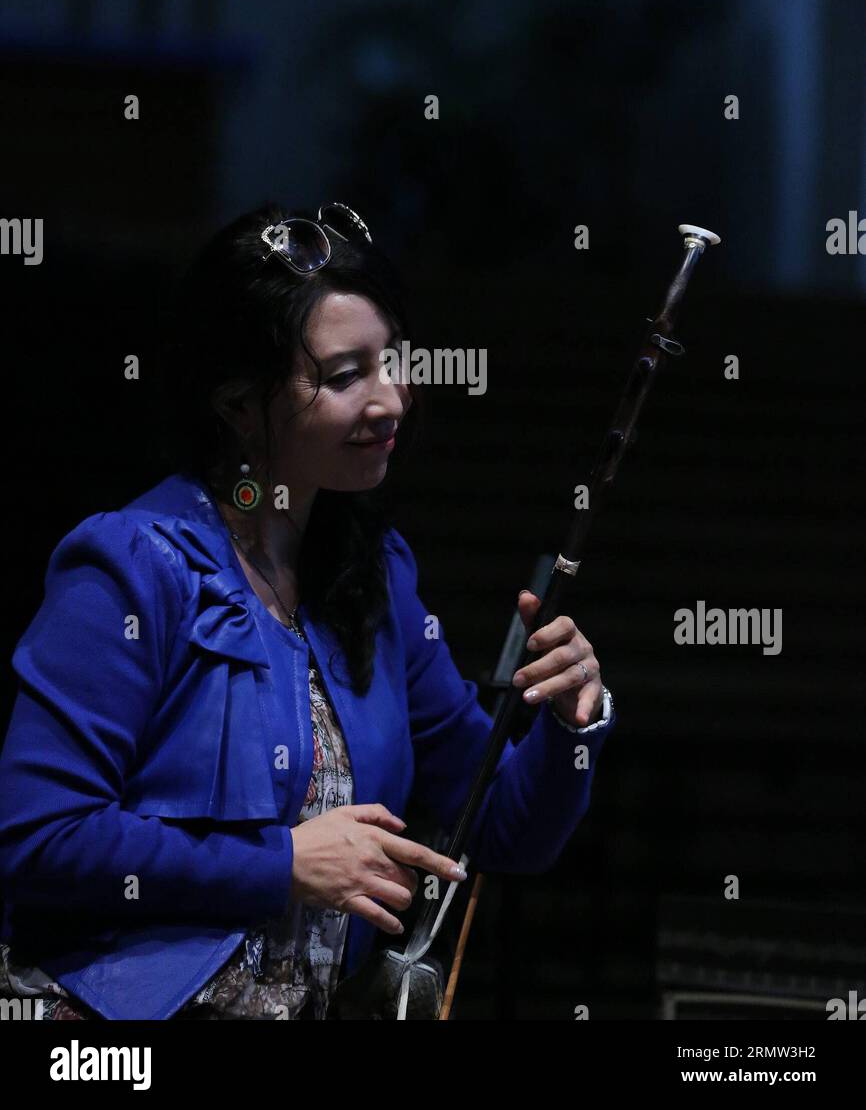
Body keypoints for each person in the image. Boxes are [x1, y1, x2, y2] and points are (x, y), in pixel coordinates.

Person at [0, 201, 616, 1021]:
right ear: (236, 401)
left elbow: (501, 828)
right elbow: (40, 840)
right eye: (344, 375)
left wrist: (572, 724)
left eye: (392, 361)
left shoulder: (379, 579)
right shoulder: (131, 566)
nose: (391, 400)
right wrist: (279, 862)